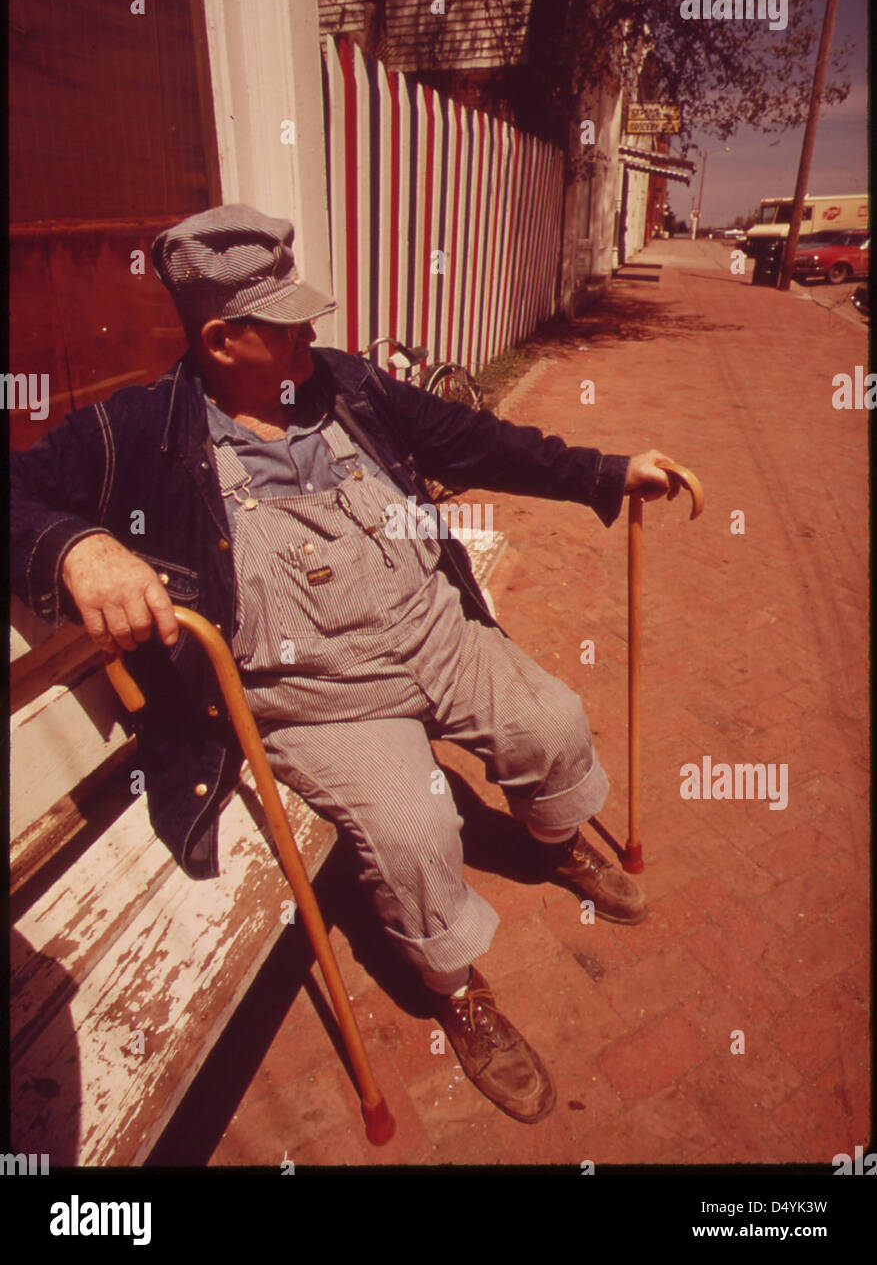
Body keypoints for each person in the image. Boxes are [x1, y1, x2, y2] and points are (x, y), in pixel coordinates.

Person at [10, 204, 674, 1126]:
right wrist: (80, 547)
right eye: (284, 323)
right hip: (318, 696)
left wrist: (603, 471)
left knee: (553, 721)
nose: (310, 335)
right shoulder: (139, 429)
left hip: (430, 629)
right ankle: (455, 988)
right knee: (413, 833)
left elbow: (475, 440)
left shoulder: (345, 386)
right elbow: (13, 492)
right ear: (220, 338)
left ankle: (552, 843)